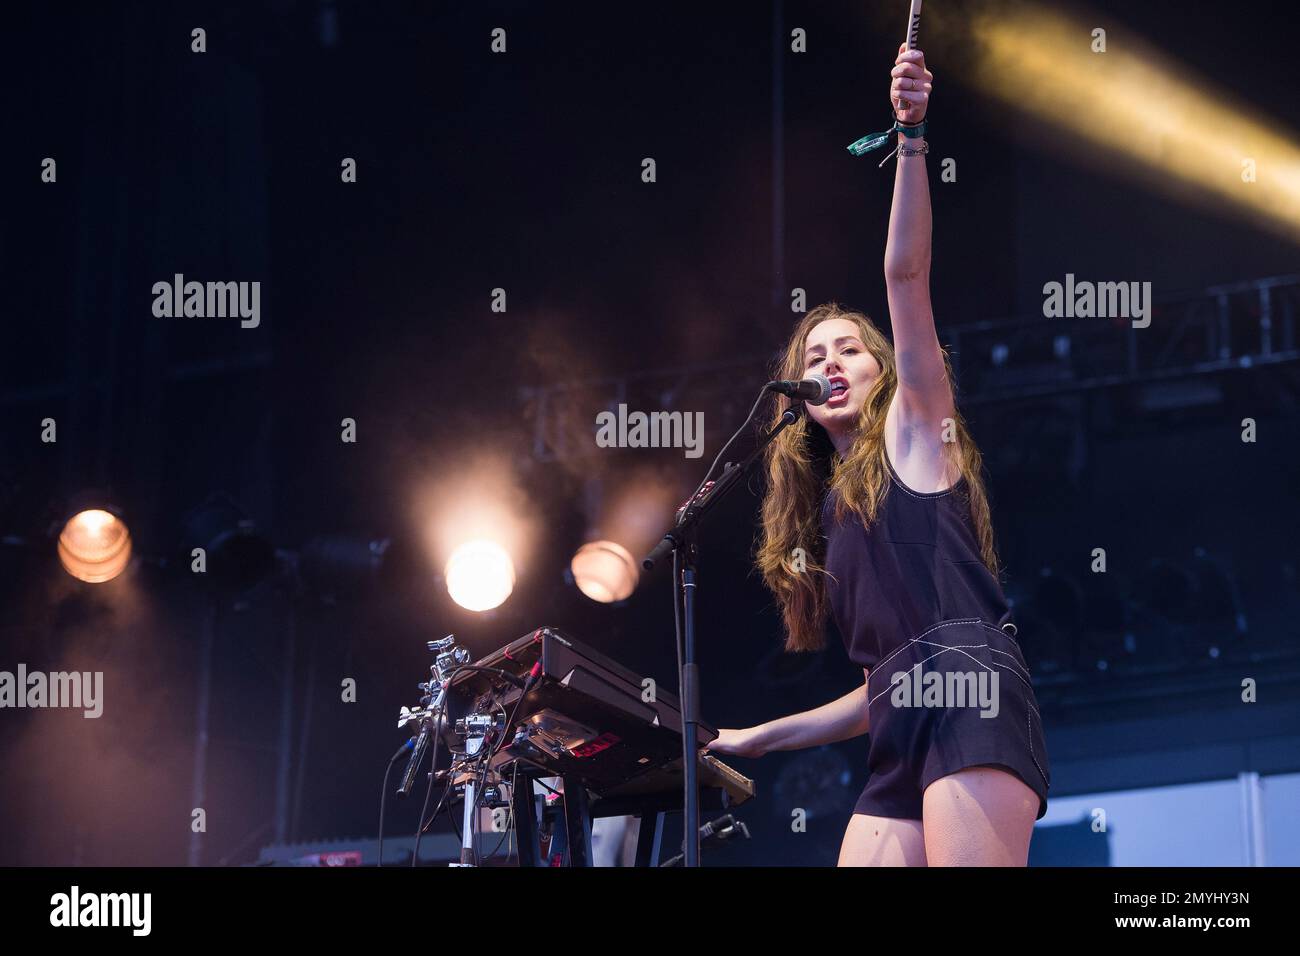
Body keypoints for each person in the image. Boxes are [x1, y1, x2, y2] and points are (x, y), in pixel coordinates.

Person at [704, 44, 1050, 867]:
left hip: (972, 694)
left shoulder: (916, 429)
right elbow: (880, 690)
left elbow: (906, 276)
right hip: (900, 728)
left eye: (850, 349)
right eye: (815, 353)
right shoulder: (832, 507)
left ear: (883, 369)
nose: (830, 362)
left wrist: (912, 136)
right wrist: (759, 736)